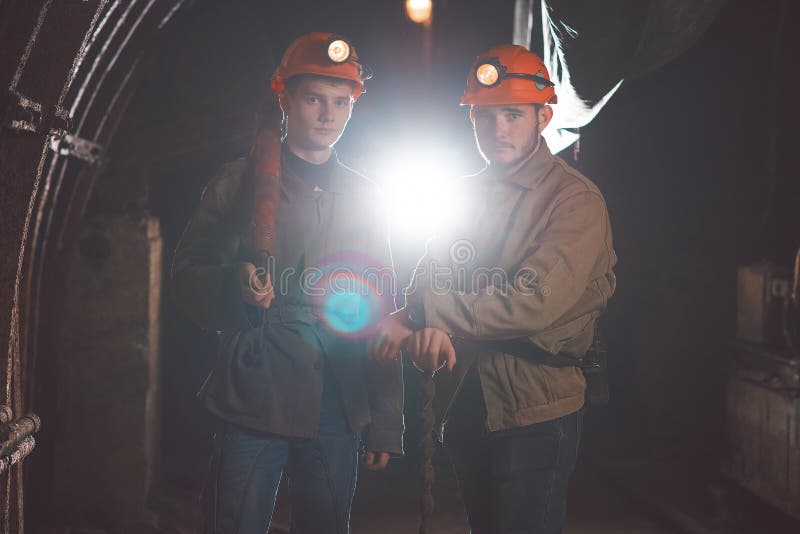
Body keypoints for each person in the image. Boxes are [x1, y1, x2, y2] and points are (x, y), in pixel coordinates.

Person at [369, 44, 617, 533]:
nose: (497, 129)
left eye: (512, 115)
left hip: (537, 406)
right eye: (484, 117)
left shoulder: (574, 201)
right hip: (468, 400)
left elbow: (532, 302)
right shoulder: (464, 192)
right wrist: (426, 314)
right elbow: (427, 277)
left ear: (542, 118)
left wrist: (424, 314)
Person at [172, 32, 403, 534]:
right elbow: (186, 277)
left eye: (340, 102)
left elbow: (383, 312)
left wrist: (384, 418)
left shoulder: (367, 196)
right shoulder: (241, 182)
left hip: (337, 401)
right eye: (314, 99)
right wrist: (236, 285)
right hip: (256, 392)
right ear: (285, 99)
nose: (327, 114)